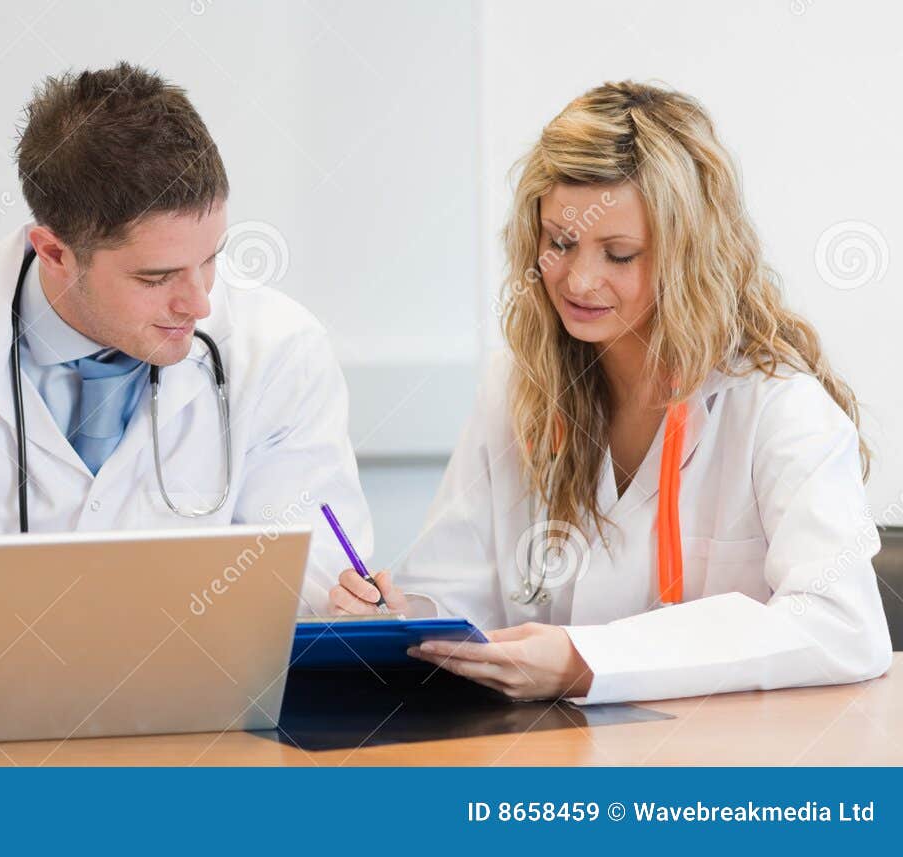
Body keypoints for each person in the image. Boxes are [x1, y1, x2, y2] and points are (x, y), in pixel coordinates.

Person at [330, 82, 892, 704]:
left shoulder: (777, 408)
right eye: (559, 243)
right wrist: (398, 617)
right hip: (551, 764)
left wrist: (586, 659)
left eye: (619, 254)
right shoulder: (518, 387)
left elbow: (844, 625)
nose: (579, 279)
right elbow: (455, 596)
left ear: (688, 257)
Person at [0, 63, 372, 657]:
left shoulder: (280, 348)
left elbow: (317, 581)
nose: (199, 301)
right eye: (157, 276)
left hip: (205, 734)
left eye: (212, 258)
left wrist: (346, 605)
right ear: (54, 252)